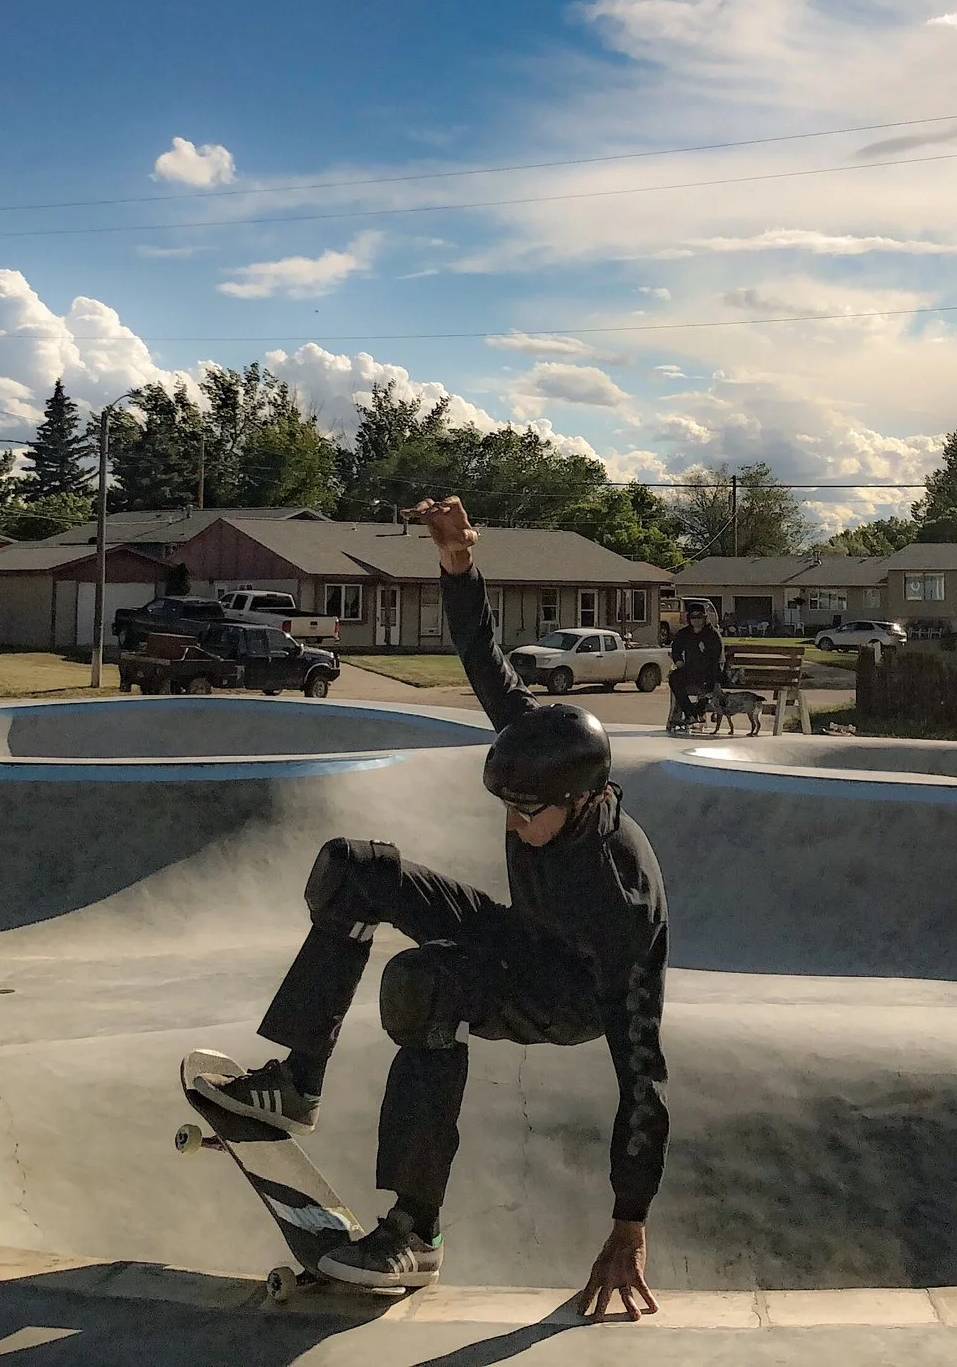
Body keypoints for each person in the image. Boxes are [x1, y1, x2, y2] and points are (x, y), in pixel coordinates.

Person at [185, 496, 667, 1319]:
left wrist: (629, 1220)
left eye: (529, 813)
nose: (515, 823)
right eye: (506, 806)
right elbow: (485, 658)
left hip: (570, 993)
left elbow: (644, 1076)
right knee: (354, 868)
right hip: (520, 936)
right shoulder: (545, 749)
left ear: (581, 801)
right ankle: (297, 1083)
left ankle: (416, 1228)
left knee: (422, 983)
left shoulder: (614, 896)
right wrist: (458, 561)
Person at [666, 600, 723, 733]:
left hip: (709, 672)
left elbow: (717, 658)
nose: (696, 620)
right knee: (675, 678)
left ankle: (696, 714)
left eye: (699, 617)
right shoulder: (685, 633)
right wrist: (678, 660)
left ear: (704, 618)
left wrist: (713, 676)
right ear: (689, 619)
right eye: (693, 617)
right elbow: (676, 648)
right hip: (691, 670)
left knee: (706, 690)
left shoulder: (712, 634)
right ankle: (691, 714)